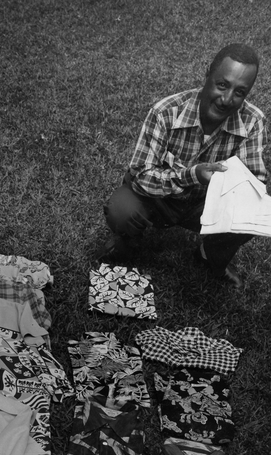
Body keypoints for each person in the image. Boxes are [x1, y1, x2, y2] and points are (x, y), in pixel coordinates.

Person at [100, 43, 267, 289]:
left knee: (251, 215)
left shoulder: (253, 121)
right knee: (122, 211)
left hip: (205, 204)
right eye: (222, 85)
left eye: (240, 92)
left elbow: (255, 181)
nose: (227, 99)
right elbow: (142, 176)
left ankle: (209, 255)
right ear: (207, 73)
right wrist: (192, 175)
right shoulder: (165, 112)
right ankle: (128, 240)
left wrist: (246, 191)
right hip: (155, 198)